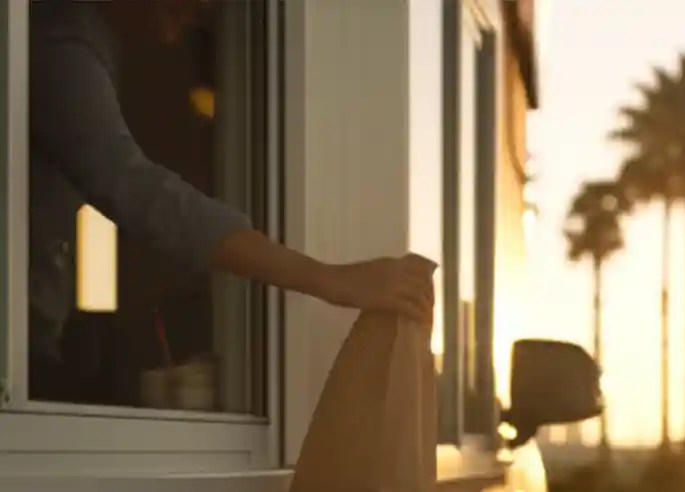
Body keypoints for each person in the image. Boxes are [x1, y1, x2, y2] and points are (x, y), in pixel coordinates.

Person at [28, 0, 432, 400]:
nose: (169, 38)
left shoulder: (86, 45)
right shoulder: (58, 45)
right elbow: (132, 186)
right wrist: (329, 278)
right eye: (172, 12)